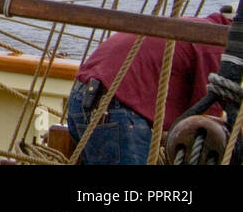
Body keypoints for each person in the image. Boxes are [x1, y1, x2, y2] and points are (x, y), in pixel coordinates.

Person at [66, 8, 233, 164]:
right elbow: (206, 126)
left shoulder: (193, 26)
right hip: (115, 111)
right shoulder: (215, 42)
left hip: (81, 99)